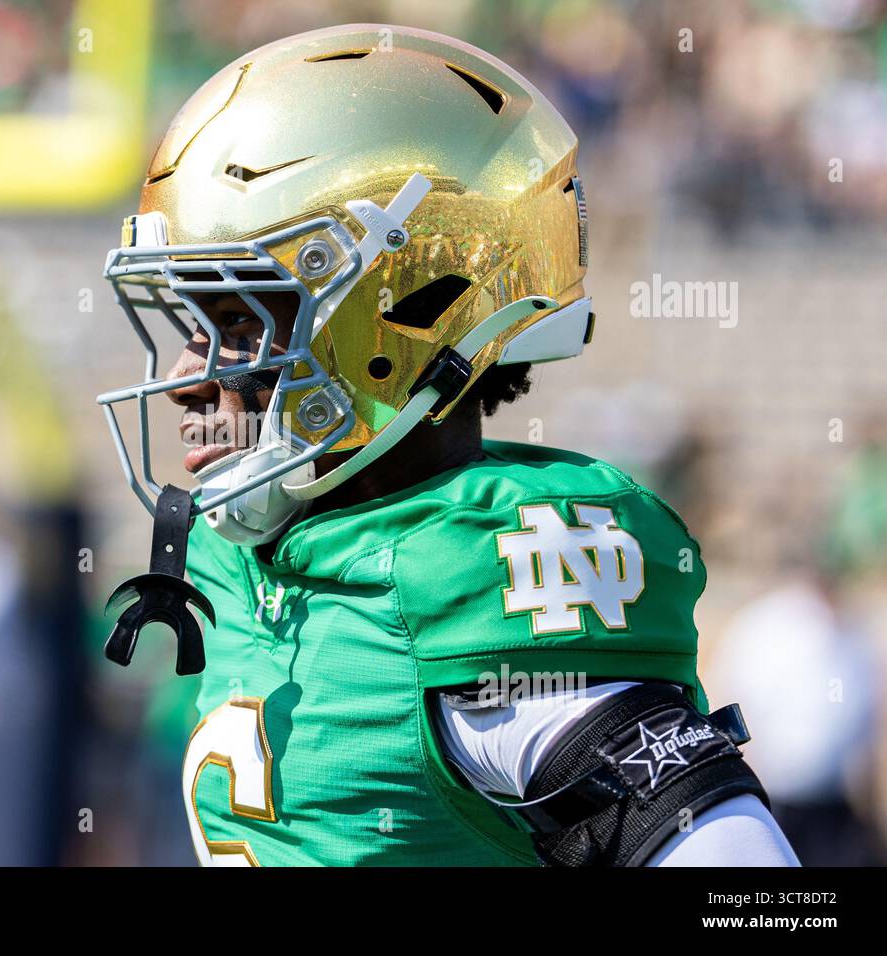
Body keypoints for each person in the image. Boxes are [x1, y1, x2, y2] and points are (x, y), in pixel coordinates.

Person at [96, 24, 796, 867]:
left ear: (401, 316)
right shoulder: (249, 557)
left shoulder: (468, 583)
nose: (183, 379)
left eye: (236, 323)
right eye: (188, 322)